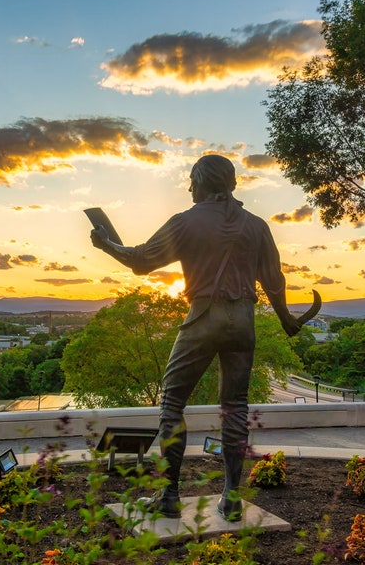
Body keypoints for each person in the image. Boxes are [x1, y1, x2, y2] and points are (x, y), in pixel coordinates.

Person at [90, 154, 315, 520]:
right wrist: (286, 317)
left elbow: (141, 261)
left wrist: (106, 245)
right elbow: (274, 280)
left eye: (191, 181)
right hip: (243, 320)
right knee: (235, 408)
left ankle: (169, 496)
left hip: (204, 317)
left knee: (172, 405)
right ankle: (231, 497)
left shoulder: (186, 222)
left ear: (203, 182)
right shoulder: (256, 226)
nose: (189, 188)